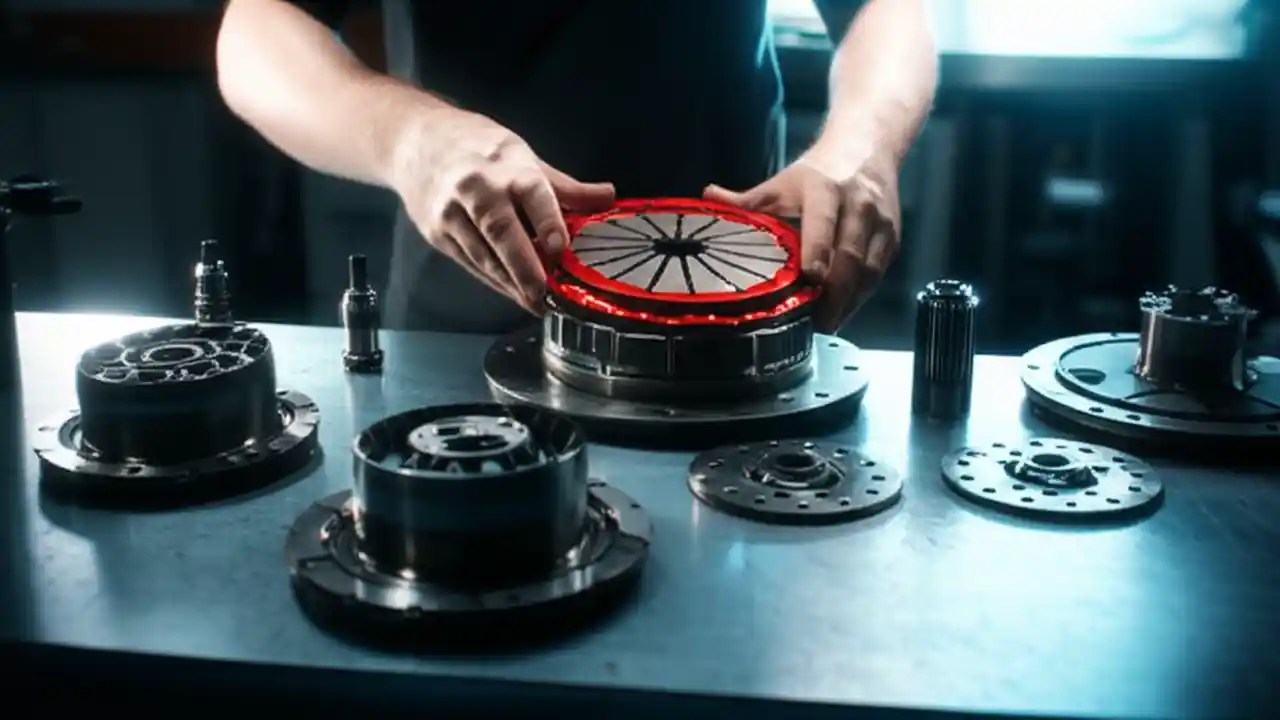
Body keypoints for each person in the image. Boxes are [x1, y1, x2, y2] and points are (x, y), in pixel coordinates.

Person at [216, 0, 937, 333]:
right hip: (470, 335)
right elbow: (254, 30)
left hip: (742, 331)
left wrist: (861, 149)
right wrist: (408, 136)